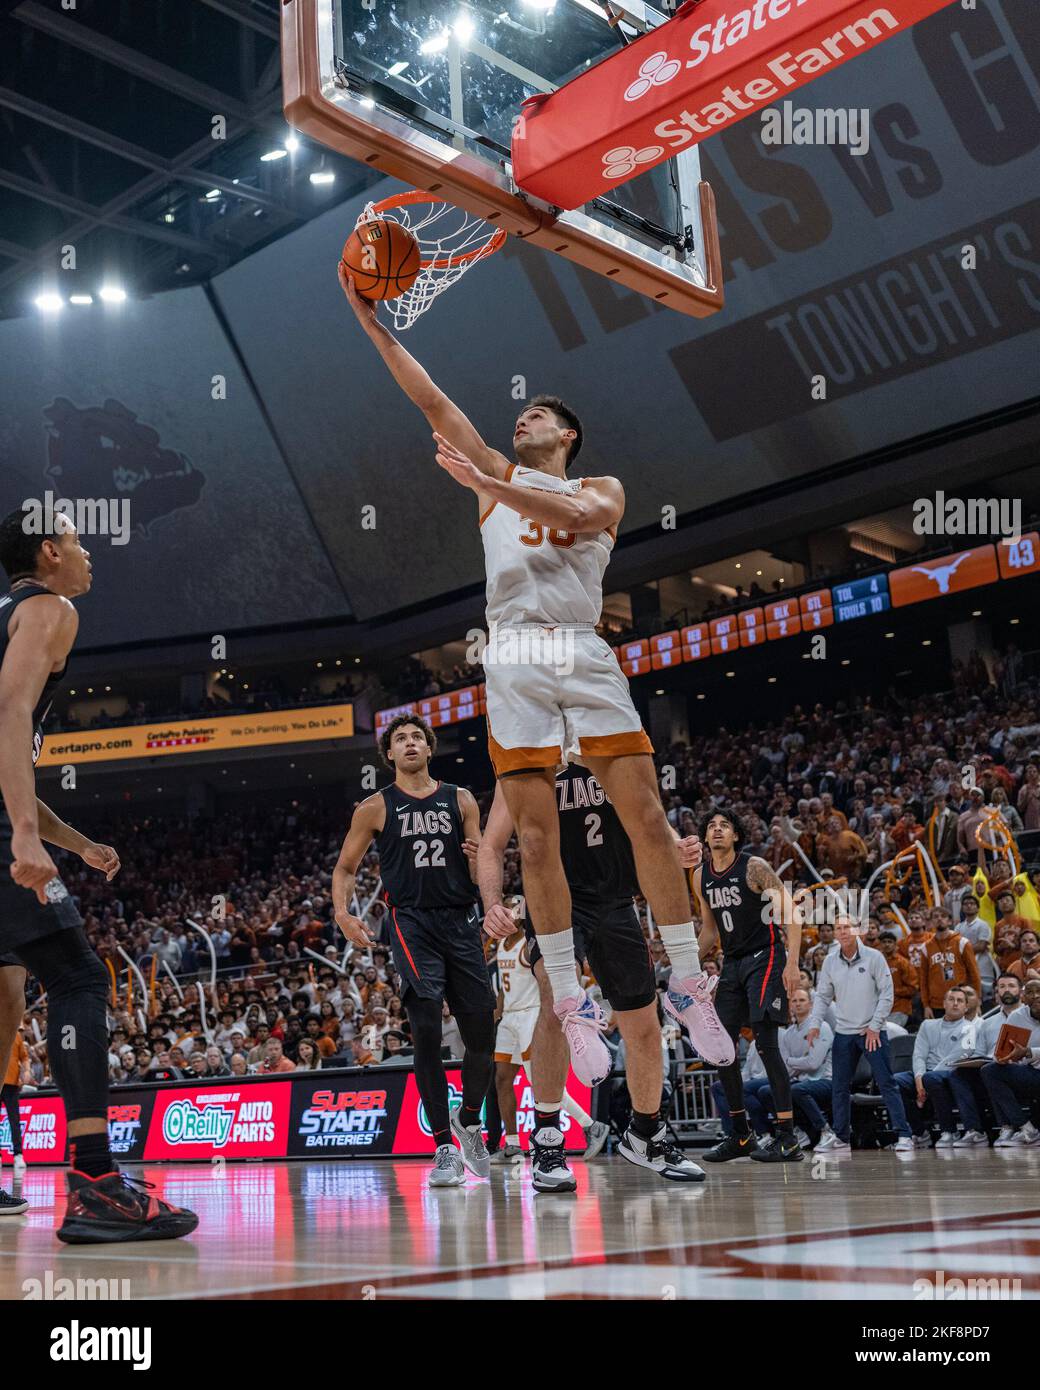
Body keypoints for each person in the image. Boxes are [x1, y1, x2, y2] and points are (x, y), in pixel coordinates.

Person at [340, 272, 729, 1089]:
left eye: (540, 415)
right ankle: (568, 1005)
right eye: (521, 415)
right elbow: (434, 402)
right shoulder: (490, 475)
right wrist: (370, 324)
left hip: (581, 649)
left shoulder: (599, 488)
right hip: (512, 655)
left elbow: (577, 523)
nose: (524, 419)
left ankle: (689, 981)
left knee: (646, 815)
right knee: (539, 839)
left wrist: (487, 485)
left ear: (569, 435)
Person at [0, 508, 197, 1240]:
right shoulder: (50, 608)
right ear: (48, 553)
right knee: (79, 980)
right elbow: (9, 717)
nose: (90, 555)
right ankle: (94, 1181)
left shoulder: (10, 614)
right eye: (79, 542)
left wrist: (74, 843)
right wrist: (23, 833)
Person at [479, 765, 703, 1188]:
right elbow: (491, 845)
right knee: (555, 1005)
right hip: (554, 903)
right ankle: (547, 1139)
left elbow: (650, 815)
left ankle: (646, 1133)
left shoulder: (608, 750)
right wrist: (491, 901)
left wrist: (677, 845)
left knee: (643, 1020)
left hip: (617, 899)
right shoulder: (525, 759)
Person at [333, 715, 495, 1188]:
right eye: (399, 739)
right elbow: (345, 868)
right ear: (389, 754)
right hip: (410, 921)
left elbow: (481, 862)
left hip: (461, 918)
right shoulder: (374, 807)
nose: (408, 743)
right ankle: (443, 1144)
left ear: (429, 748)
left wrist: (480, 872)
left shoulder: (461, 799)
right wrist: (344, 914)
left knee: (482, 1035)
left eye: (415, 737)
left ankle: (469, 1119)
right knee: (425, 1025)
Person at [696, 811, 806, 1164]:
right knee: (721, 1047)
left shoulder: (754, 866)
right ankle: (741, 1136)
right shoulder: (699, 875)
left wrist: (792, 963)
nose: (716, 829)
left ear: (736, 836)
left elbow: (792, 913)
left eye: (724, 825)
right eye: (711, 825)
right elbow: (710, 932)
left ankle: (788, 1138)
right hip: (733, 960)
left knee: (765, 1040)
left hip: (766, 955)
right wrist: (684, 968)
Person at [808, 918, 914, 1154]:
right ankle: (842, 1138)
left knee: (887, 1083)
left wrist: (875, 1026)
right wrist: (814, 1024)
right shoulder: (829, 961)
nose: (843, 932)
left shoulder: (875, 957)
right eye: (839, 928)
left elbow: (887, 993)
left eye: (847, 927)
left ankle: (904, 1135)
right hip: (844, 1033)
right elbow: (823, 997)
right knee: (839, 1086)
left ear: (858, 932)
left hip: (872, 1031)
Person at [893, 987, 978, 1148]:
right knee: (896, 1081)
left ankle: (950, 1131)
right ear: (944, 1003)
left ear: (966, 1007)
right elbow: (919, 1055)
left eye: (960, 1001)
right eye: (951, 999)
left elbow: (956, 1058)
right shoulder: (927, 1025)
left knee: (932, 1078)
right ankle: (920, 1132)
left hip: (950, 1074)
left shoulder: (970, 1028)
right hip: (925, 1074)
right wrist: (919, 1080)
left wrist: (925, 1079)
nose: (955, 1003)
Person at [979, 979, 1040, 1147]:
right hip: (1031, 1073)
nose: (1036, 996)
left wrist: (1028, 1052)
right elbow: (1003, 1050)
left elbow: (1026, 1052)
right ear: (1023, 998)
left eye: (1039, 991)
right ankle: (1025, 1127)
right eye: (1030, 992)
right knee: (990, 1071)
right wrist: (1002, 1058)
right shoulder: (1017, 1016)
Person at [919, 910, 981, 1019]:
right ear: (931, 922)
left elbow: (974, 974)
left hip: (960, 1001)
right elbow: (923, 979)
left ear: (949, 921)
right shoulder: (925, 947)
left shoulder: (962, 942)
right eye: (936, 916)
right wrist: (926, 1006)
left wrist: (977, 1002)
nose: (939, 919)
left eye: (943, 916)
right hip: (936, 1004)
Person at [1, 1021, 30, 1180]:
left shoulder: (16, 1036)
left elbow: (24, 1057)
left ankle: (18, 1154)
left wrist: (27, 1071)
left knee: (14, 1120)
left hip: (11, 1084)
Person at [878, 931, 917, 1027]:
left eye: (890, 942)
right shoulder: (875, 962)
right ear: (880, 944)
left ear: (895, 945)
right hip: (879, 1009)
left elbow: (913, 988)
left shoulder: (903, 963)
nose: (887, 944)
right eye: (884, 942)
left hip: (899, 1009)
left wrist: (893, 991)